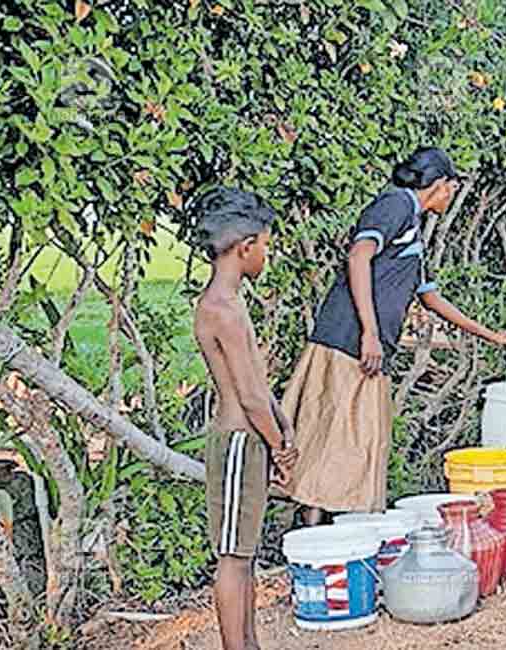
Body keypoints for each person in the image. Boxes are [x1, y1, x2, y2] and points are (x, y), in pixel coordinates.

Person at [283, 147, 506, 525]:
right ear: (440, 184)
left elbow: (430, 298)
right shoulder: (396, 205)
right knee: (332, 442)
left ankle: (330, 533)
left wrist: (489, 335)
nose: (451, 196)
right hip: (349, 342)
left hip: (368, 350)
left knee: (353, 446)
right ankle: (312, 536)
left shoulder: (413, 227)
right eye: (453, 188)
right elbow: (358, 257)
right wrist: (370, 333)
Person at [192, 187, 299, 650]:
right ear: (246, 246)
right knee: (234, 559)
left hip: (252, 438)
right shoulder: (221, 310)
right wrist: (280, 447)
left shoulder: (232, 303)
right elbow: (251, 398)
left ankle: (249, 643)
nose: (266, 256)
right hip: (239, 441)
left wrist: (283, 425)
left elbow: (257, 382)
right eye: (266, 246)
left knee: (246, 553)